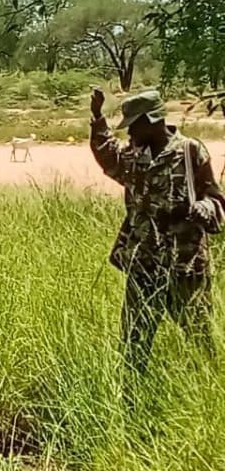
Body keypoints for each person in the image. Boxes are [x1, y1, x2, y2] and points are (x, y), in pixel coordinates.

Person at [90, 87, 223, 376]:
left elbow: (216, 198)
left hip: (186, 266)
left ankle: (208, 392)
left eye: (134, 125)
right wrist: (97, 118)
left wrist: (205, 207)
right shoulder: (133, 156)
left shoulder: (190, 151)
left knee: (202, 342)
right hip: (143, 265)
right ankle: (131, 404)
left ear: (152, 120)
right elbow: (107, 156)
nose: (129, 133)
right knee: (133, 346)